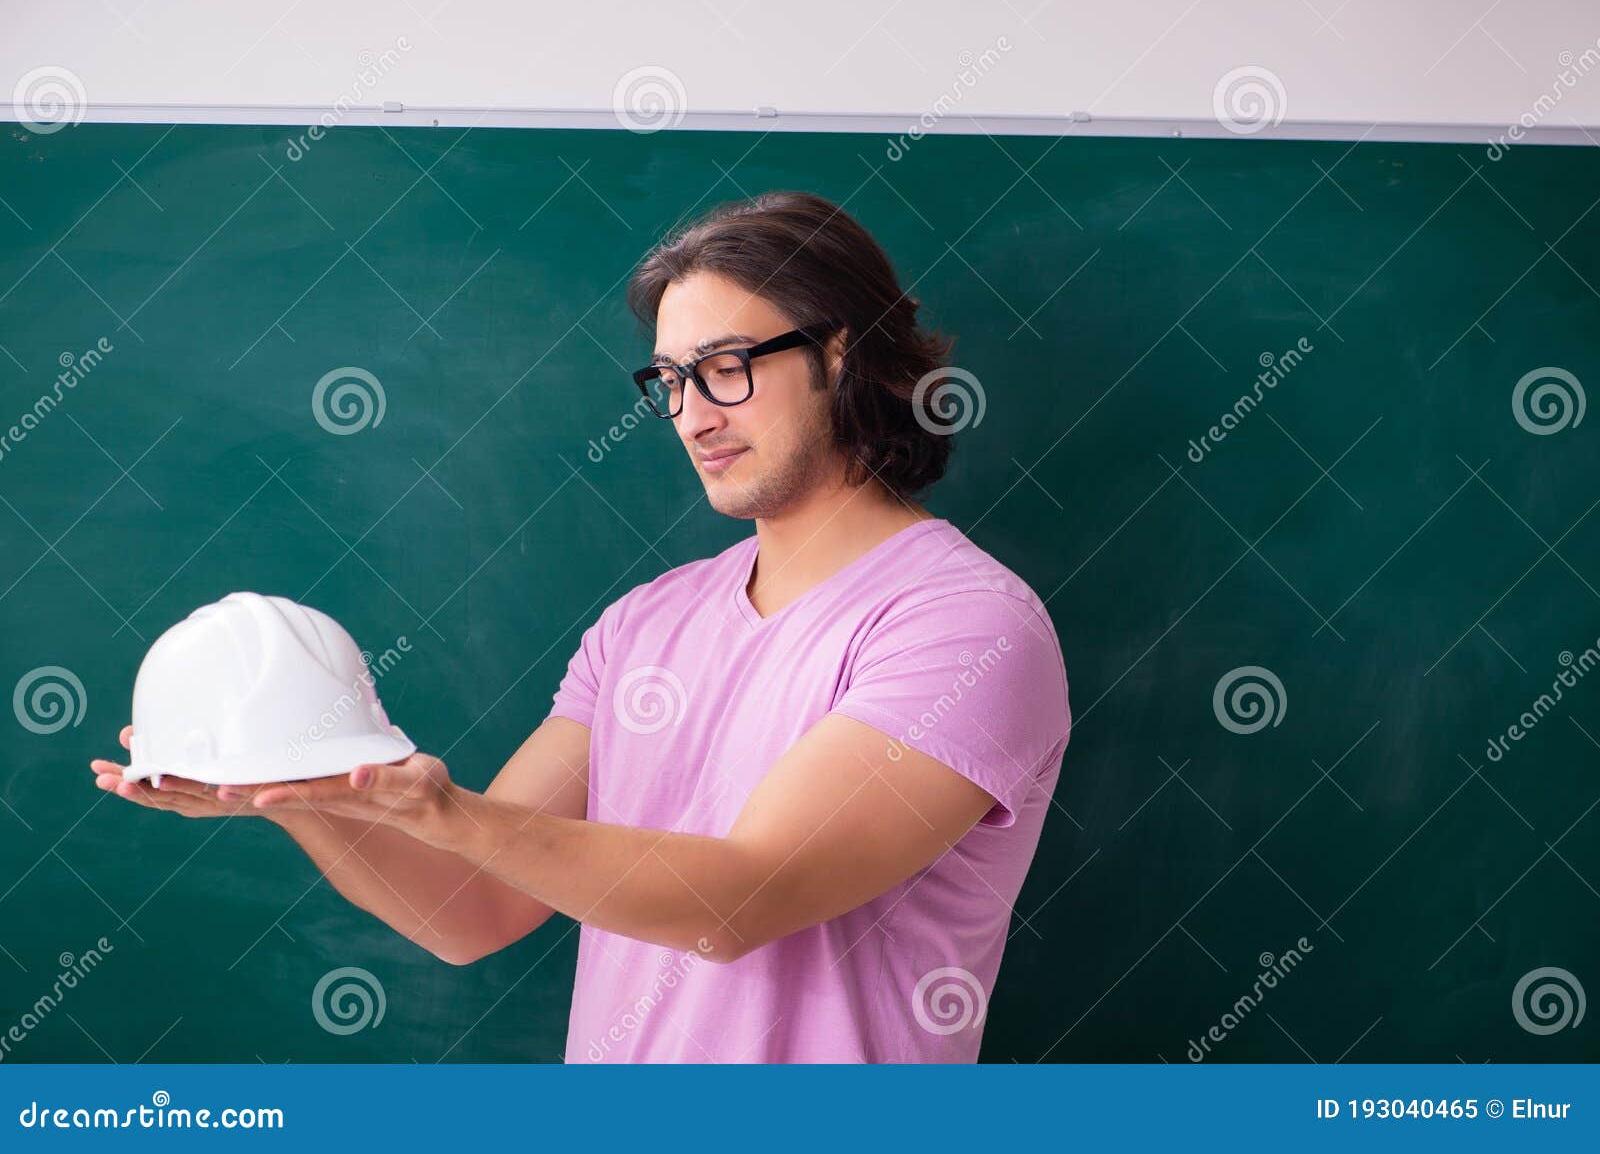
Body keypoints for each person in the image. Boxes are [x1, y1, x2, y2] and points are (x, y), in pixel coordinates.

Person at [91, 191, 1071, 1063]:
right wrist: (290, 788)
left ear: (840, 354)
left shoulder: (964, 625)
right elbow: (468, 909)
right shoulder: (644, 626)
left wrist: (450, 812)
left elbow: (743, 899)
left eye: (725, 368)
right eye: (670, 381)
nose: (692, 415)